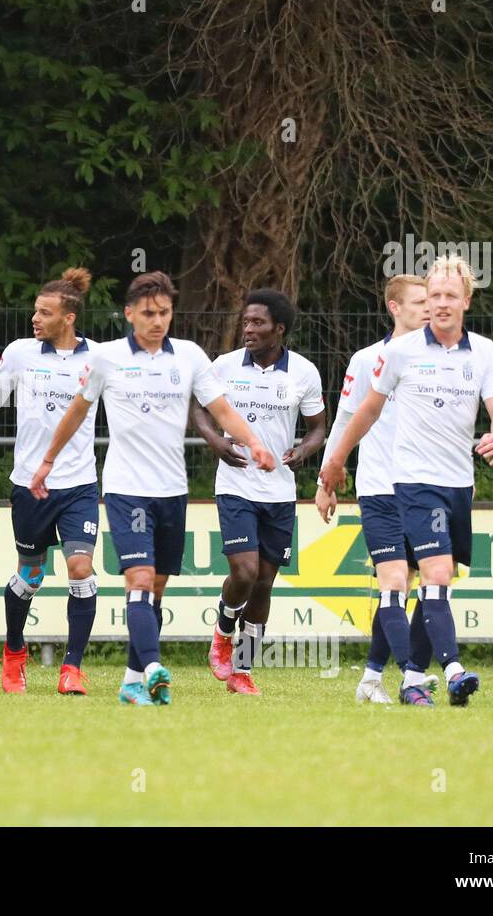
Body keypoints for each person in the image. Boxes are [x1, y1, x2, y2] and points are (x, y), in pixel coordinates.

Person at [29, 271, 276, 706]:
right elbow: (75, 413)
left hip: (172, 491)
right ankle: (154, 665)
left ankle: (130, 682)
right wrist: (48, 459)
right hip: (128, 490)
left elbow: (221, 409)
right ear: (129, 314)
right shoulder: (106, 359)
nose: (157, 320)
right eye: (147, 313)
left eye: (163, 313)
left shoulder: (190, 357)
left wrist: (254, 442)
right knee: (139, 580)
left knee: (155, 589)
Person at [320, 255, 493, 706]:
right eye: (430, 298)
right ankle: (438, 673)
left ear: (466, 300)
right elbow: (359, 413)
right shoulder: (387, 356)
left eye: (447, 297)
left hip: (455, 484)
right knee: (407, 579)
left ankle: (382, 675)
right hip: (400, 483)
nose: (437, 305)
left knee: (432, 583)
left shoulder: (482, 351)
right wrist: (333, 466)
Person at [0, 267, 100, 694]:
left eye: (44, 312)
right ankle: (14, 652)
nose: (34, 319)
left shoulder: (98, 359)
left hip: (79, 485)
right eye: (35, 311)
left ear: (68, 317)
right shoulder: (20, 352)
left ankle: (71, 669)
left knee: (80, 569)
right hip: (29, 485)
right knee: (30, 577)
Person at [195, 289, 326, 695]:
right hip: (236, 485)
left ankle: (243, 670)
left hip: (280, 492)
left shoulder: (303, 372)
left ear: (279, 329)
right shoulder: (224, 366)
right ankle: (222, 629)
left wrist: (305, 449)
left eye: (257, 323)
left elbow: (321, 425)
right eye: (245, 322)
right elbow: (199, 406)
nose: (247, 329)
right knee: (245, 572)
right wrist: (214, 440)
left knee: (265, 582)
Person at [315, 275, 439, 703]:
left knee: (432, 586)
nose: (428, 307)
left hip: (427, 492)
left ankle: (370, 676)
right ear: (394, 307)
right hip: (380, 489)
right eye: (419, 301)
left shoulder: (440, 359)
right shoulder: (368, 359)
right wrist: (326, 479)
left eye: (432, 300)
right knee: (394, 581)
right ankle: (411, 677)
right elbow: (346, 420)